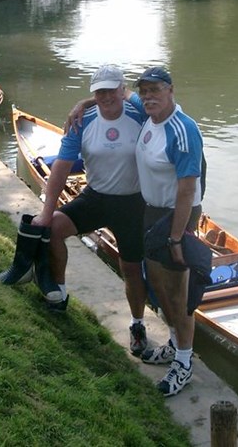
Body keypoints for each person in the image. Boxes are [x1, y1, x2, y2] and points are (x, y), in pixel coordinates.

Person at [31, 65, 150, 355]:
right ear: (93, 95)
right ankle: (57, 294)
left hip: (133, 202)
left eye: (112, 89)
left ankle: (137, 324)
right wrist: (46, 211)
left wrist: (89, 100)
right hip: (96, 196)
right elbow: (60, 168)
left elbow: (151, 100)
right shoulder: (82, 122)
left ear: (122, 90)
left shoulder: (141, 114)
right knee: (54, 228)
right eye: (99, 92)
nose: (106, 96)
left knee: (131, 269)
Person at [133, 66, 203, 397]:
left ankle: (185, 364)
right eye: (144, 91)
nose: (148, 97)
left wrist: (176, 237)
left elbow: (188, 190)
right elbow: (114, 97)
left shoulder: (183, 130)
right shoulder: (148, 114)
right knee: (158, 285)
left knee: (179, 293)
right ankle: (175, 346)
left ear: (171, 90)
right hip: (152, 212)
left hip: (178, 216)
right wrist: (84, 105)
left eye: (155, 90)